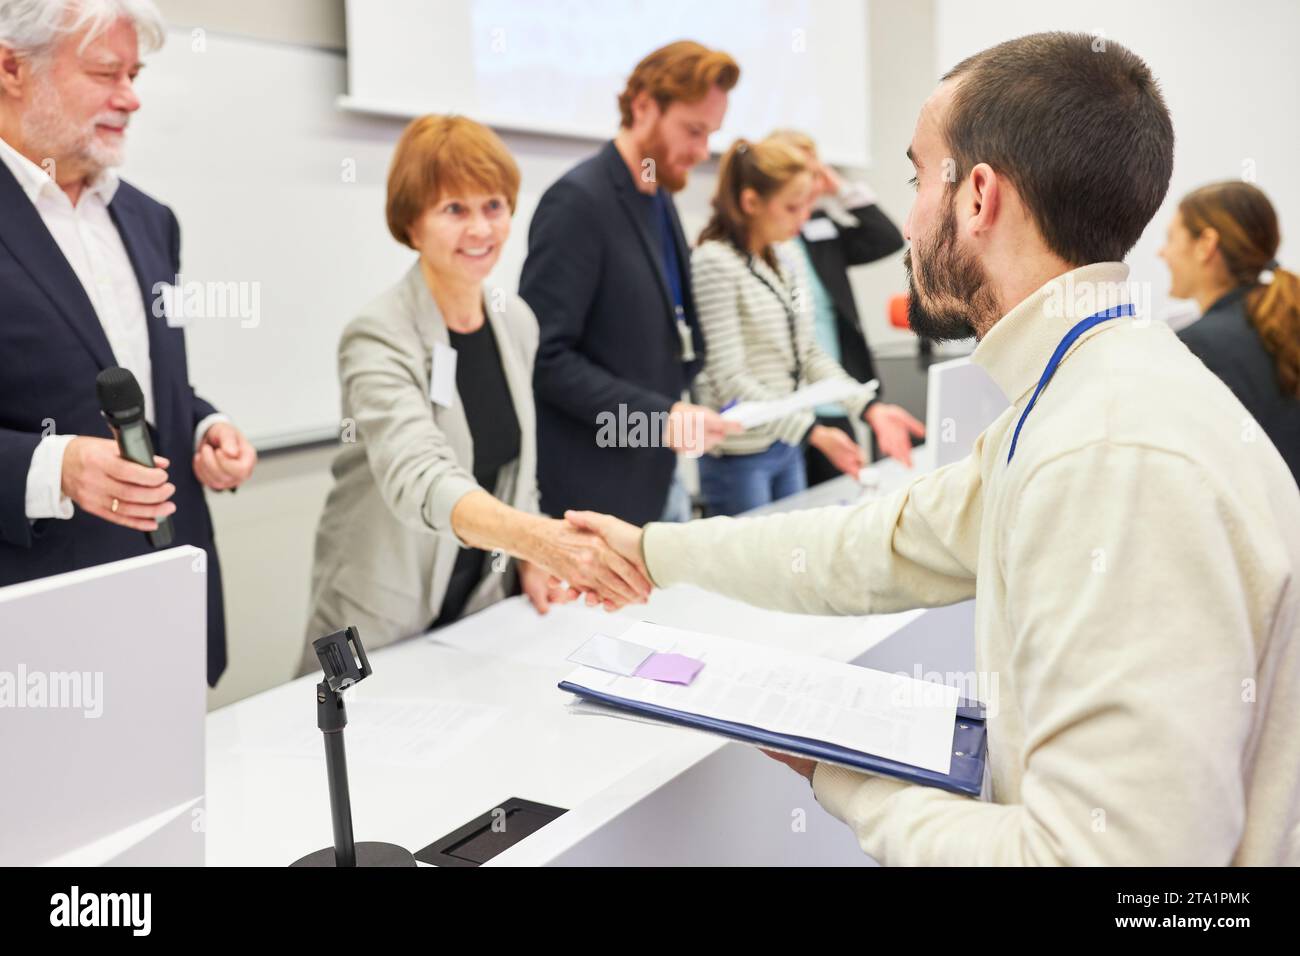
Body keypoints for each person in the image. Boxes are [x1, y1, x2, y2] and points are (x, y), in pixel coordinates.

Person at [564, 32, 1300, 865]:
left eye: (918, 179)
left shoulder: (1109, 456)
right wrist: (653, 550)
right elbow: (879, 544)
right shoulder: (1086, 391)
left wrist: (845, 780)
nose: (909, 219)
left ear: (976, 195)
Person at [300, 115, 649, 676]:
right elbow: (421, 476)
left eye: (493, 206)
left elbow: (518, 465)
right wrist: (544, 542)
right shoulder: (379, 333)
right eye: (454, 210)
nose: (481, 230)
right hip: (380, 614)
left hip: (476, 612)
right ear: (412, 224)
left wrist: (531, 561)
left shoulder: (517, 323)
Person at [0, 0, 257, 688]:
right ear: (10, 68)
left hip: (168, 592)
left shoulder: (150, 220)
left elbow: (144, 382)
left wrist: (204, 424)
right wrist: (55, 467)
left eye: (135, 73)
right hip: (36, 635)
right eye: (106, 72)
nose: (132, 97)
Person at [519, 41, 741, 527]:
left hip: (656, 476)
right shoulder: (577, 203)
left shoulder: (657, 197)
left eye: (712, 135)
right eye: (693, 131)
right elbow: (545, 359)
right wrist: (659, 419)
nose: (703, 152)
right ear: (643, 106)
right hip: (593, 491)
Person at [690, 137, 879, 516]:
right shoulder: (714, 263)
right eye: (793, 207)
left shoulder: (789, 257)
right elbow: (729, 380)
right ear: (750, 203)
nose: (803, 218)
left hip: (785, 445)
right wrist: (813, 432)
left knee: (789, 560)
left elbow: (807, 351)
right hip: (740, 454)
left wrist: (866, 405)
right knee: (748, 570)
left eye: (808, 204)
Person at [764, 129, 925, 476]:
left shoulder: (815, 227)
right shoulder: (756, 241)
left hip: (832, 389)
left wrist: (838, 187)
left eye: (813, 170)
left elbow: (882, 238)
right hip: (781, 403)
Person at [1157, 180, 1300, 486]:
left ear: (1206, 244)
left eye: (1171, 238)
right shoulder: (1282, 323)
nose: (1162, 253)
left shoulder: (1199, 344)